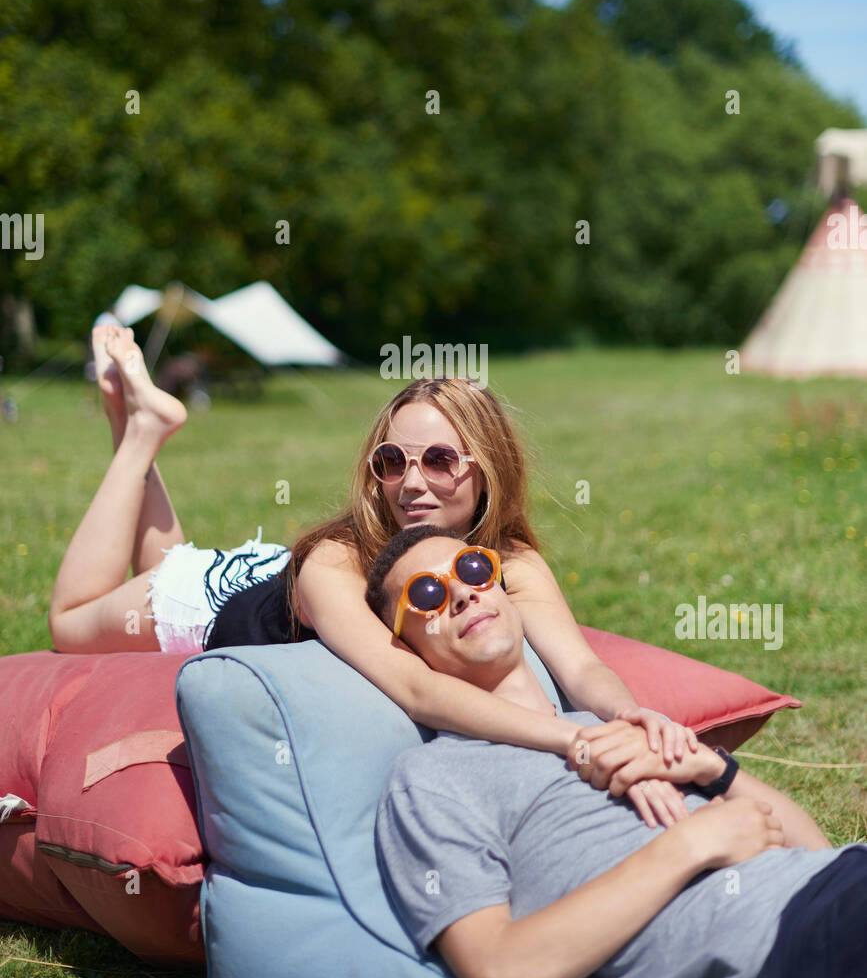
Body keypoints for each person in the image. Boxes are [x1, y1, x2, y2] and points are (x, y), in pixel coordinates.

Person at [50, 318, 696, 828]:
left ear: (488, 466)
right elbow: (412, 688)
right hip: (208, 599)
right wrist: (570, 742)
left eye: (440, 460)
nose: (411, 483)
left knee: (159, 556)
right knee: (71, 620)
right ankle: (137, 434)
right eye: (392, 460)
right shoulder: (335, 559)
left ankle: (135, 416)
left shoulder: (510, 559)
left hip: (271, 575)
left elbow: (578, 668)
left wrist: (628, 717)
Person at [371, 526, 866, 978]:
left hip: (838, 884)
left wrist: (714, 769)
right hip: (779, 947)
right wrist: (690, 847)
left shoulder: (610, 725)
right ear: (407, 647)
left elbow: (819, 852)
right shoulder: (430, 779)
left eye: (473, 568)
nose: (460, 594)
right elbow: (502, 977)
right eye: (427, 594)